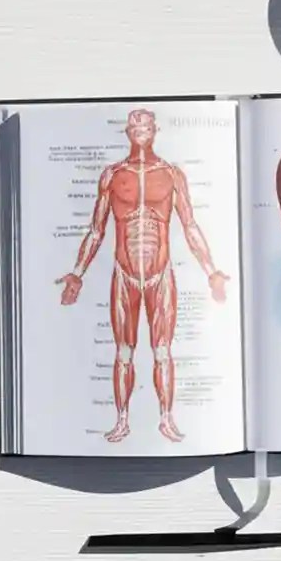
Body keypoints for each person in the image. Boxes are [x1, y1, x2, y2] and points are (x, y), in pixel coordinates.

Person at [56, 109, 228, 443]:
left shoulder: (171, 174)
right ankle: (122, 420)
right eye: (134, 126)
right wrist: (77, 273)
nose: (140, 130)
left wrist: (211, 272)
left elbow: (189, 225)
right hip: (124, 273)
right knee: (123, 352)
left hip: (160, 273)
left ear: (155, 130)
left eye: (145, 125)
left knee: (163, 351)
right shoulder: (112, 174)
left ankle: (166, 418)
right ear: (127, 131)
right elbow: (96, 230)